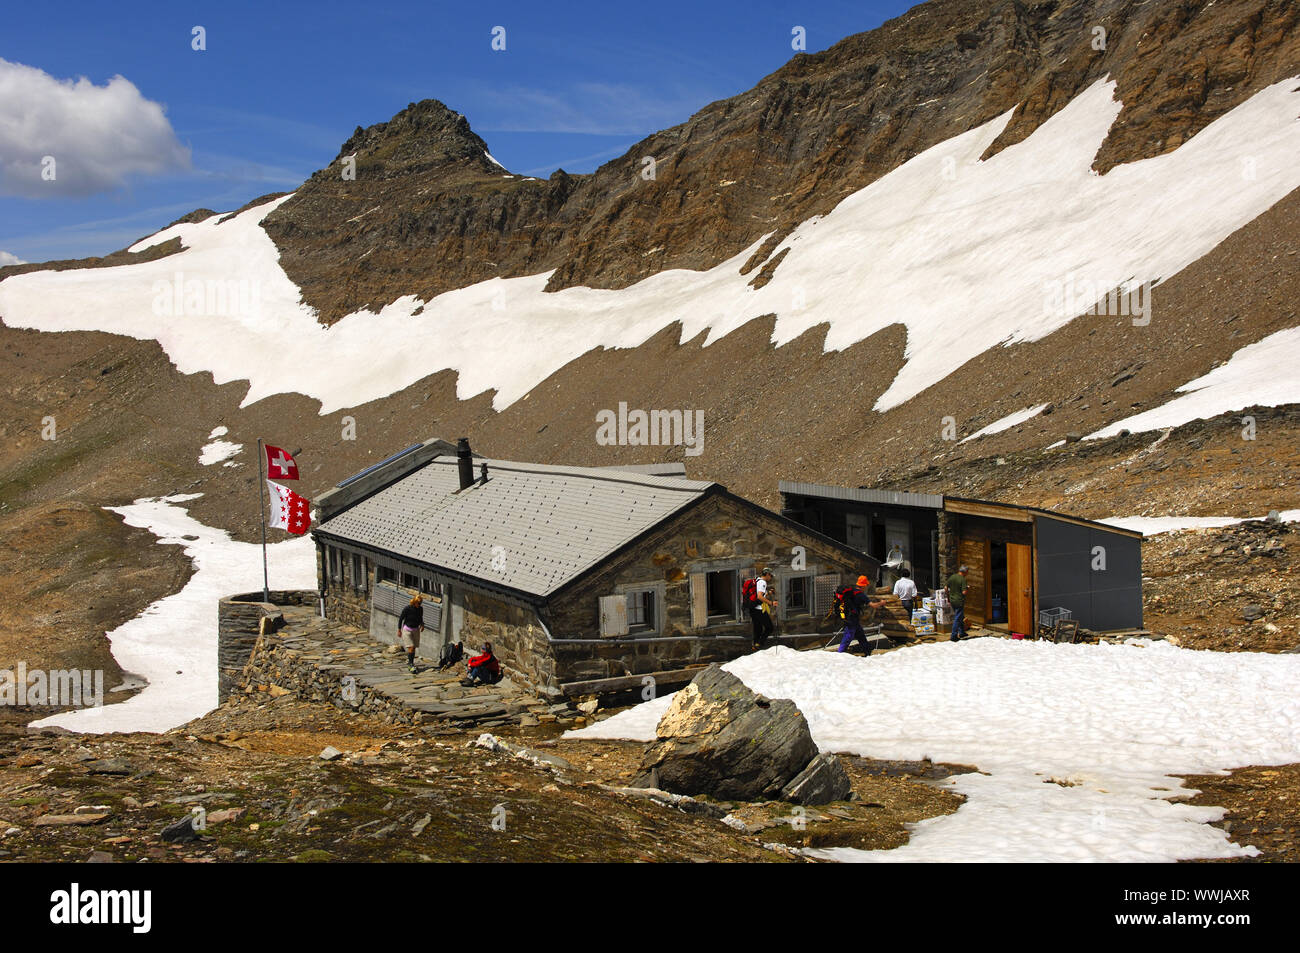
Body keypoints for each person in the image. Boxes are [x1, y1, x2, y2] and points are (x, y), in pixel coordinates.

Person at [838, 574, 885, 655]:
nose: (866, 587)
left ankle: (867, 652)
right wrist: (881, 603)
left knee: (860, 635)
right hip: (852, 618)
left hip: (848, 616)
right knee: (848, 636)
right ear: (863, 585)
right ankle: (840, 653)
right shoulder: (861, 595)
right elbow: (873, 605)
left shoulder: (852, 591)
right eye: (866, 585)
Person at [744, 569, 777, 649]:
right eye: (771, 575)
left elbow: (758, 593)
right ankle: (760, 643)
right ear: (767, 574)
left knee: (758, 628)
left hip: (753, 608)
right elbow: (759, 596)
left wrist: (768, 592)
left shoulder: (757, 580)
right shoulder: (763, 582)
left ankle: (755, 645)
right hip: (759, 609)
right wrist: (771, 603)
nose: (771, 578)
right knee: (769, 628)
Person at [397, 595, 424, 673]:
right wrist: (399, 629)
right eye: (418, 603)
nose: (419, 605)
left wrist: (422, 624)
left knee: (414, 647)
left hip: (416, 630)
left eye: (420, 603)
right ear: (414, 602)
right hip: (407, 630)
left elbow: (420, 617)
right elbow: (401, 618)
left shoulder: (420, 609)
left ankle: (410, 661)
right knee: (411, 647)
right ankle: (411, 664)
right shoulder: (407, 609)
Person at [946, 565, 969, 642]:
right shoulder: (963, 579)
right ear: (965, 572)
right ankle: (954, 635)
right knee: (957, 618)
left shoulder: (952, 577)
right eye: (967, 572)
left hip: (952, 600)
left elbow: (946, 587)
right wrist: (967, 588)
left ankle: (962, 632)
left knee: (960, 616)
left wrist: (948, 596)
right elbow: (964, 592)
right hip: (959, 601)